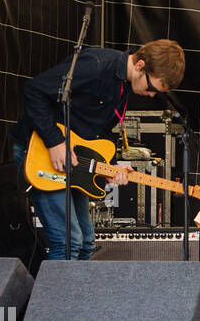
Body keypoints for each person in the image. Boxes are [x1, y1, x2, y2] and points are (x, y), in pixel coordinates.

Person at [12, 39, 185, 261]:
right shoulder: (96, 65)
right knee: (68, 241)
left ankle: (79, 295)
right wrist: (55, 143)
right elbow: (34, 90)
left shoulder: (123, 86)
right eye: (151, 88)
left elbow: (97, 132)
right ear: (140, 65)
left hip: (74, 158)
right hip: (40, 151)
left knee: (85, 243)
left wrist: (109, 166)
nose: (151, 95)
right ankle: (59, 296)